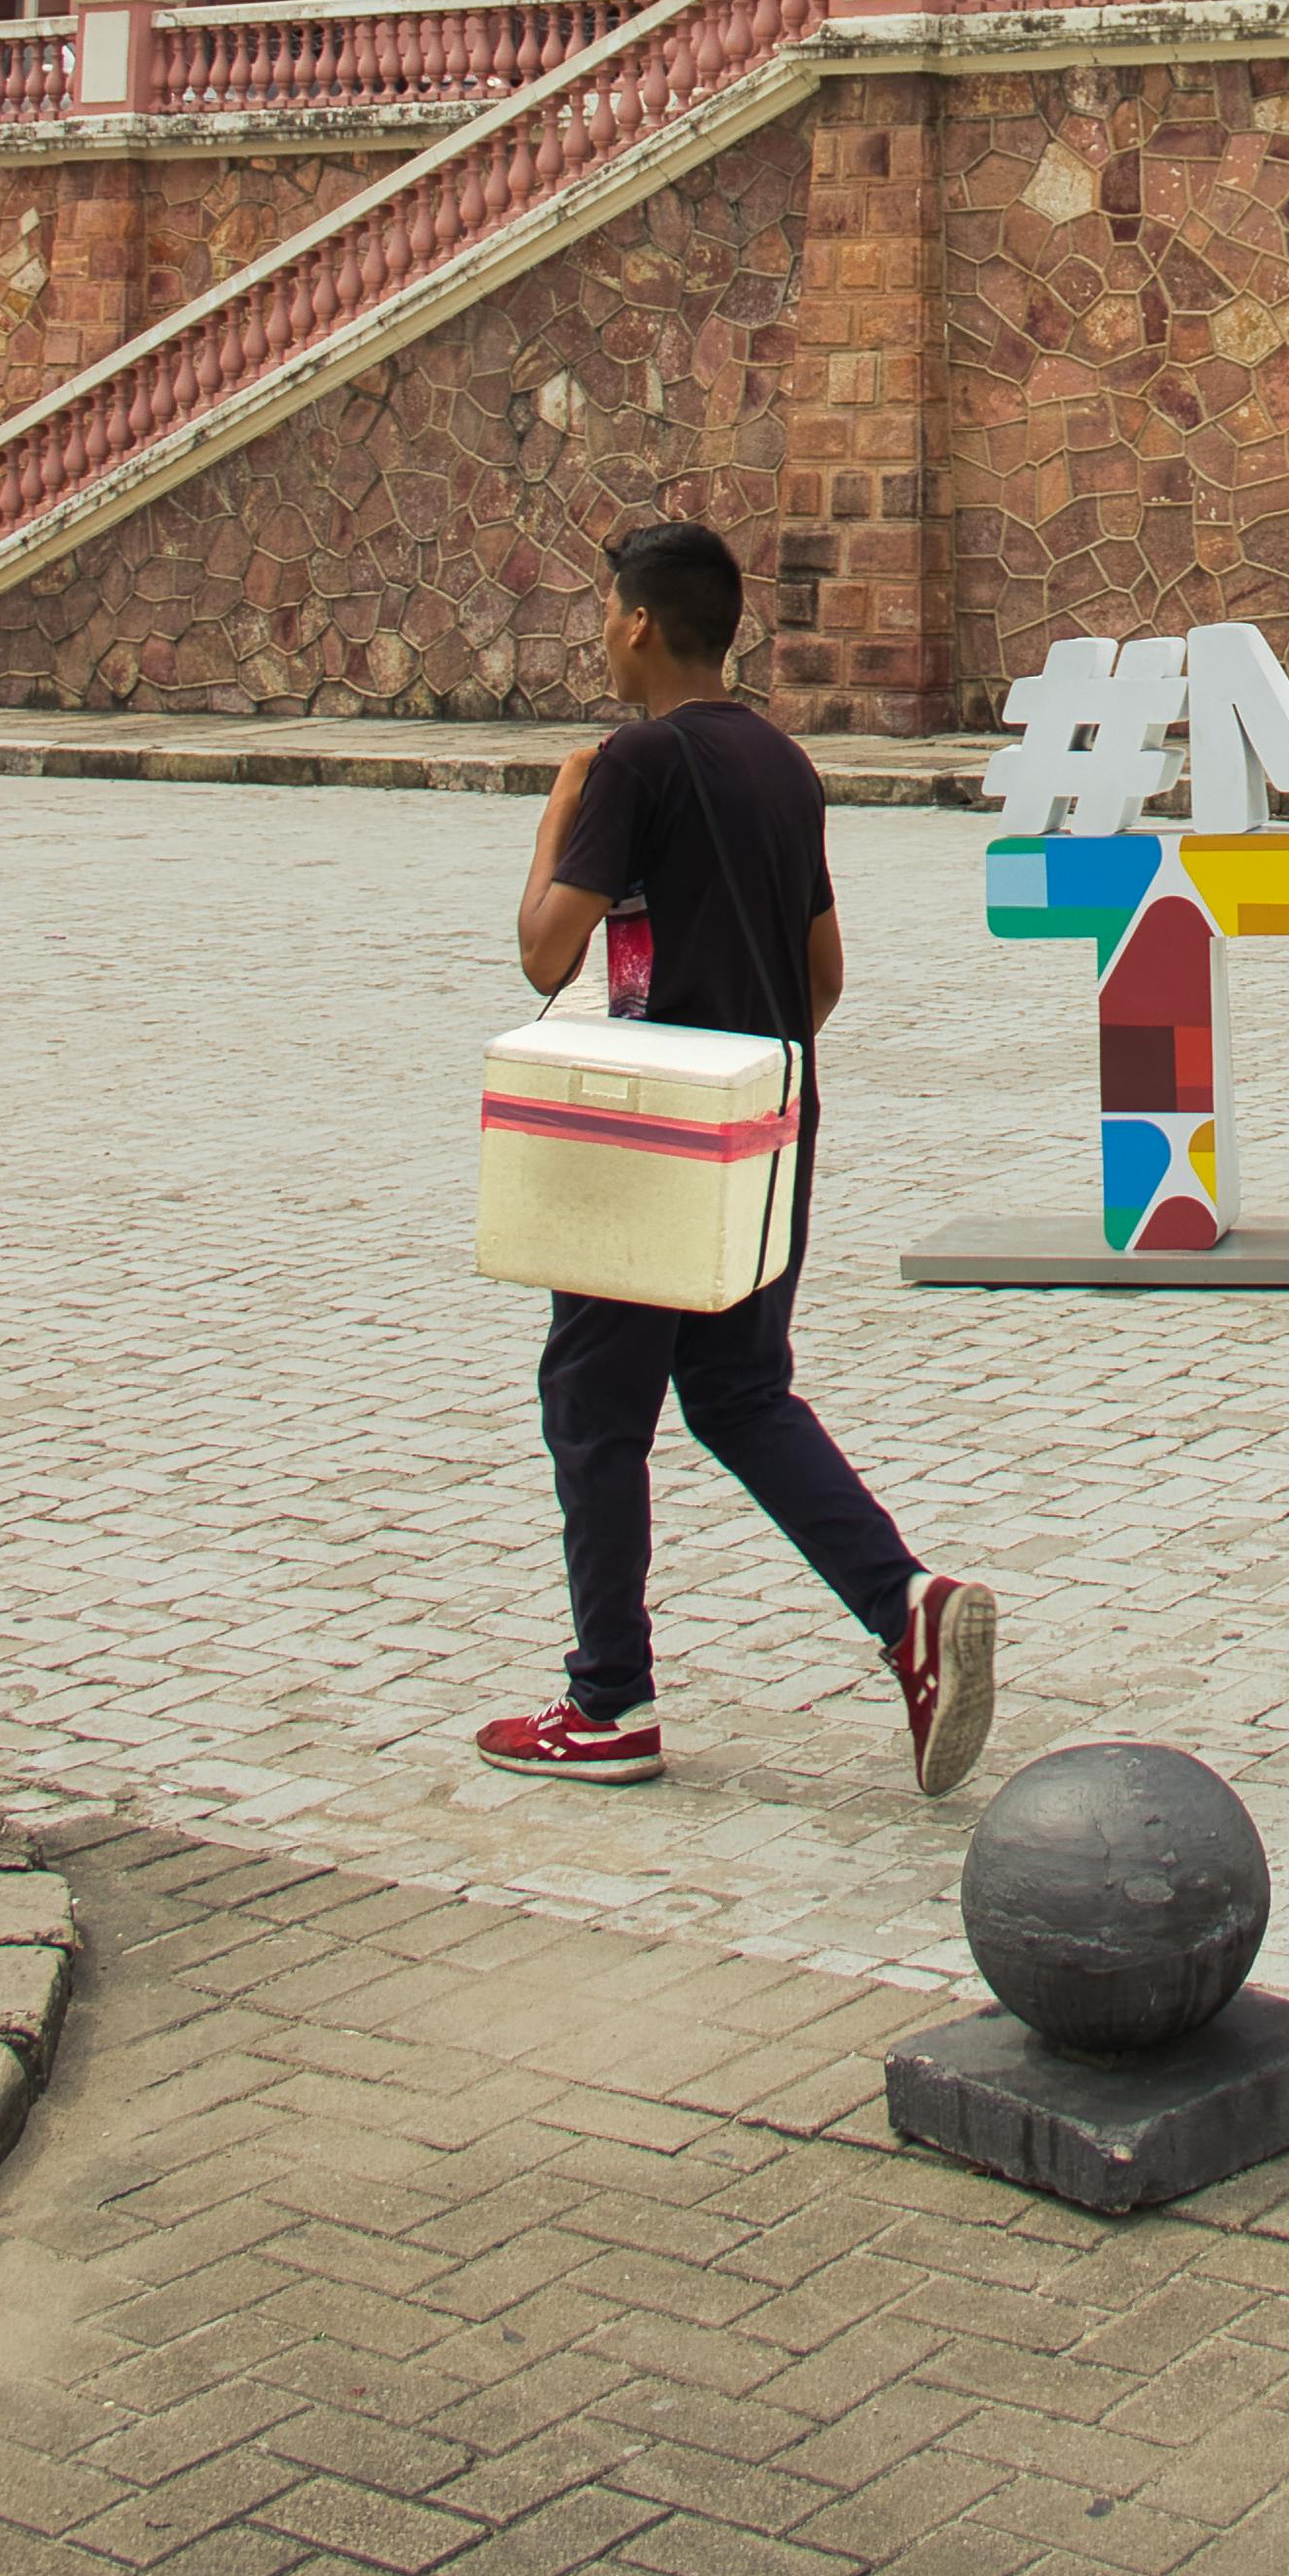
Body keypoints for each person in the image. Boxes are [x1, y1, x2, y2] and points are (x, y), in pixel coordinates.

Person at [473, 520, 998, 1797]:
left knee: (593, 1408)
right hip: (769, 1114)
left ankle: (609, 1704)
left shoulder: (632, 765)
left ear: (640, 623)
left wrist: (558, 812)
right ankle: (906, 1608)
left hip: (655, 1131)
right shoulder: (782, 764)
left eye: (608, 613)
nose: (603, 632)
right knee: (737, 1391)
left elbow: (548, 956)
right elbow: (824, 977)